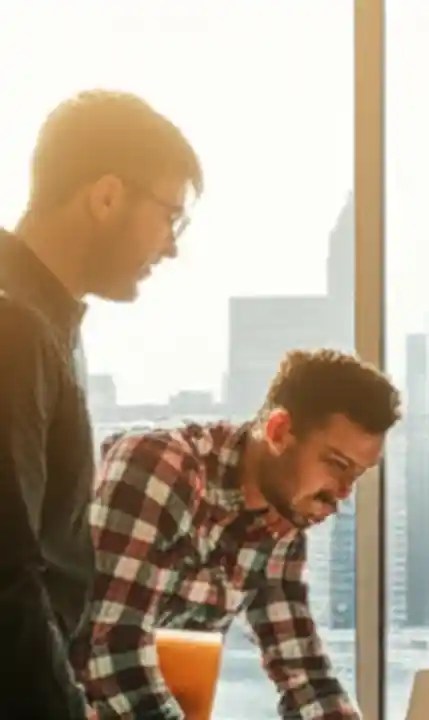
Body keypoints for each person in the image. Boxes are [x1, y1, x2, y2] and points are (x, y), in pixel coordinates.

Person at [0, 90, 201, 718]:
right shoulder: (16, 327)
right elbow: (9, 574)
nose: (171, 247)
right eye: (172, 215)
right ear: (107, 195)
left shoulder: (48, 326)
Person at [71, 349, 401, 719]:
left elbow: (303, 672)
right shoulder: (163, 466)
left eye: (355, 475)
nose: (342, 493)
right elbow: (111, 648)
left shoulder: (280, 524)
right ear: (278, 431)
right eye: (337, 464)